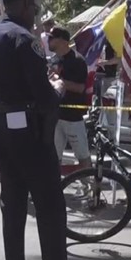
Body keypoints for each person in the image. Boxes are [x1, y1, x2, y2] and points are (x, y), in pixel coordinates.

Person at [0, 0, 97, 260]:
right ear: (26, 6)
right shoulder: (24, 39)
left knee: (12, 210)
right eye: (34, 7)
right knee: (50, 211)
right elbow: (44, 95)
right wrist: (57, 88)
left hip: (3, 124)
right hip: (30, 128)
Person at [46, 26, 91, 169]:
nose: (48, 40)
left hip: (73, 117)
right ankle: (55, 188)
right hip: (56, 115)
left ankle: (91, 187)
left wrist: (59, 82)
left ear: (62, 41)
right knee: (53, 156)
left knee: (83, 156)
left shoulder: (78, 60)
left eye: (51, 38)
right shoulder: (53, 60)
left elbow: (80, 88)